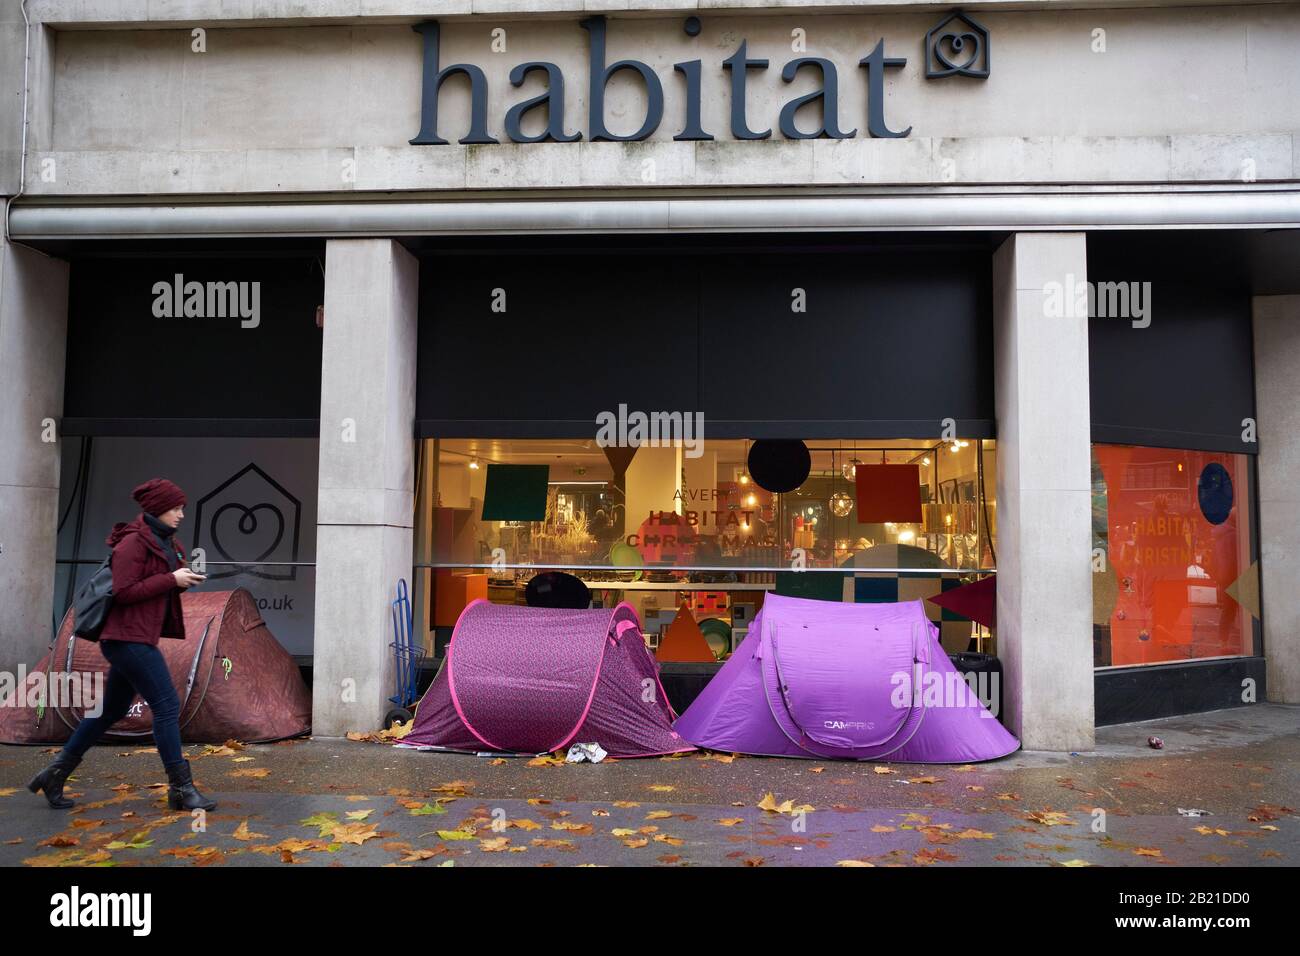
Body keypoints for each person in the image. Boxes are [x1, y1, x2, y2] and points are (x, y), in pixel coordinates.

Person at [28, 478, 217, 812]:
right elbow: (125, 591)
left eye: (182, 508)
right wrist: (170, 580)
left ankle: (55, 773)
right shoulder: (133, 543)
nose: (181, 514)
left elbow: (158, 585)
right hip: (126, 639)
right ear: (157, 509)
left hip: (137, 637)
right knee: (167, 706)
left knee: (111, 711)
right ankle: (181, 789)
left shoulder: (165, 541)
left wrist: (182, 580)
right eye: (175, 508)